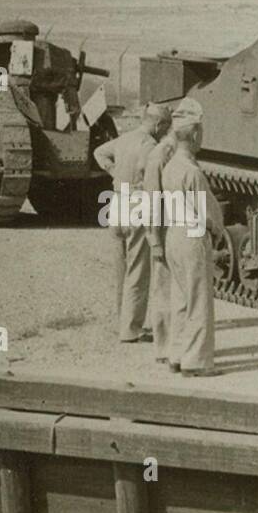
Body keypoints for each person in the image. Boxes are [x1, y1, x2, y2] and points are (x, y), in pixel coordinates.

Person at [93, 102, 170, 342]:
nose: (166, 133)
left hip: (116, 202)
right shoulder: (151, 148)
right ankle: (131, 330)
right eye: (165, 128)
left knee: (121, 269)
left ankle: (122, 321)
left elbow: (99, 152)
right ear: (158, 124)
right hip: (137, 203)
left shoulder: (125, 139)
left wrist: (114, 171)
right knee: (137, 270)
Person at [158, 98, 218, 376]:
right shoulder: (193, 172)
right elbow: (210, 213)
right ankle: (196, 362)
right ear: (194, 134)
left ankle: (176, 354)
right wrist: (218, 230)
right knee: (200, 302)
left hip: (173, 235)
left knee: (181, 300)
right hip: (193, 236)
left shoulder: (170, 167)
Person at [144, 123, 178, 363]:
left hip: (177, 231)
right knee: (164, 291)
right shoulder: (160, 156)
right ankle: (163, 348)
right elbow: (153, 199)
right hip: (164, 231)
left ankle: (174, 347)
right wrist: (154, 238)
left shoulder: (174, 153)